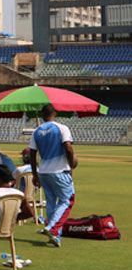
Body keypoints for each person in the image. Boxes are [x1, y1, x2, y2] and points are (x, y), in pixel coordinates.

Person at [30, 103, 78, 247]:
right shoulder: (62, 128)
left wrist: (35, 174)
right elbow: (68, 148)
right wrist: (71, 163)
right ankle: (52, 228)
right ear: (55, 113)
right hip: (59, 170)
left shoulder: (36, 131)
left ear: (42, 115)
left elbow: (32, 154)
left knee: (51, 203)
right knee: (67, 200)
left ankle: (55, 236)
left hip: (43, 172)